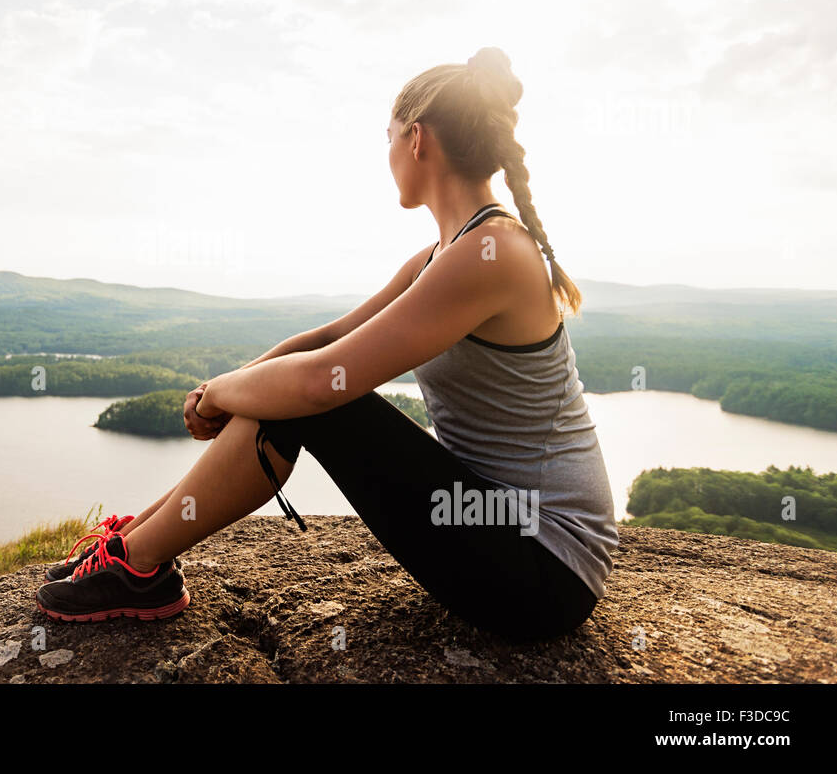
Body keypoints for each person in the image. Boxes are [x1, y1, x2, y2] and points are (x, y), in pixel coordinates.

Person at [36, 47, 618, 643]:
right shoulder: (443, 255)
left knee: (320, 401)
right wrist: (225, 387)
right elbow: (328, 339)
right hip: (493, 529)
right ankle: (133, 548)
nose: (387, 154)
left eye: (387, 137)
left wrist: (221, 396)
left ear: (416, 140)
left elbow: (321, 383)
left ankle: (137, 568)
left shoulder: (492, 253)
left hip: (544, 568)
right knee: (290, 388)